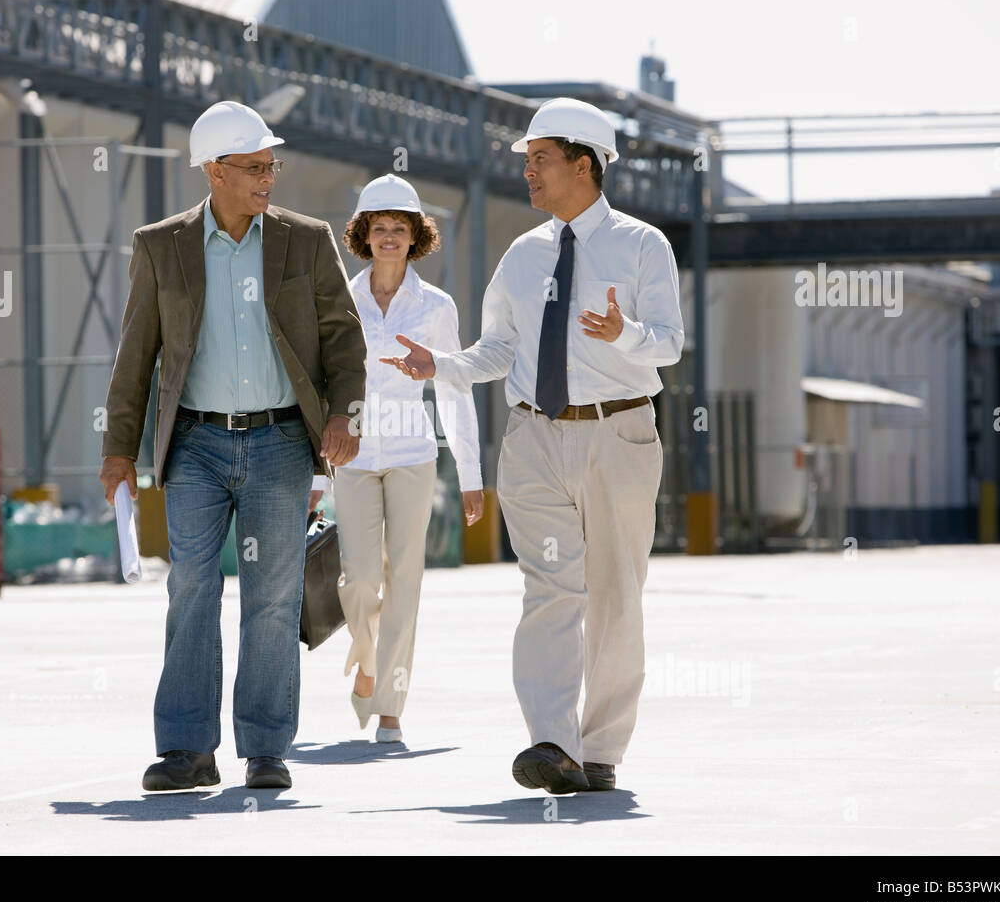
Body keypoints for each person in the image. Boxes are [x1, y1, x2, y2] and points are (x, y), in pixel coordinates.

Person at [382, 98, 685, 794]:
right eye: (526, 161)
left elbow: (669, 344)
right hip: (534, 440)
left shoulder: (644, 246)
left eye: (540, 159)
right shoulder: (523, 255)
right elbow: (499, 347)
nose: (528, 172)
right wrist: (444, 365)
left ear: (586, 164)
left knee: (615, 595)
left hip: (620, 433)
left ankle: (601, 749)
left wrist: (624, 334)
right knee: (548, 590)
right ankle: (553, 742)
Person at [99, 100, 366, 792]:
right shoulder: (162, 246)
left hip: (280, 440)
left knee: (273, 596)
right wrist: (119, 448)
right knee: (190, 587)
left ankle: (266, 748)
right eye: (253, 166)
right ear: (214, 171)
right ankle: (186, 748)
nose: (268, 177)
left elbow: (344, 339)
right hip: (193, 445)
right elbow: (136, 354)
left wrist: (345, 416)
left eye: (271, 164)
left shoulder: (305, 240)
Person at [312, 174, 483, 744]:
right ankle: (365, 659)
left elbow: (456, 387)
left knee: (404, 581)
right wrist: (315, 465)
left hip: (413, 454)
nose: (389, 237)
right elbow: (318, 381)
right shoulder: (341, 298)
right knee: (359, 579)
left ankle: (390, 709)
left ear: (416, 238)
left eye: (399, 229)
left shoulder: (436, 307)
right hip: (355, 457)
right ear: (364, 235)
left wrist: (471, 476)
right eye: (379, 228)